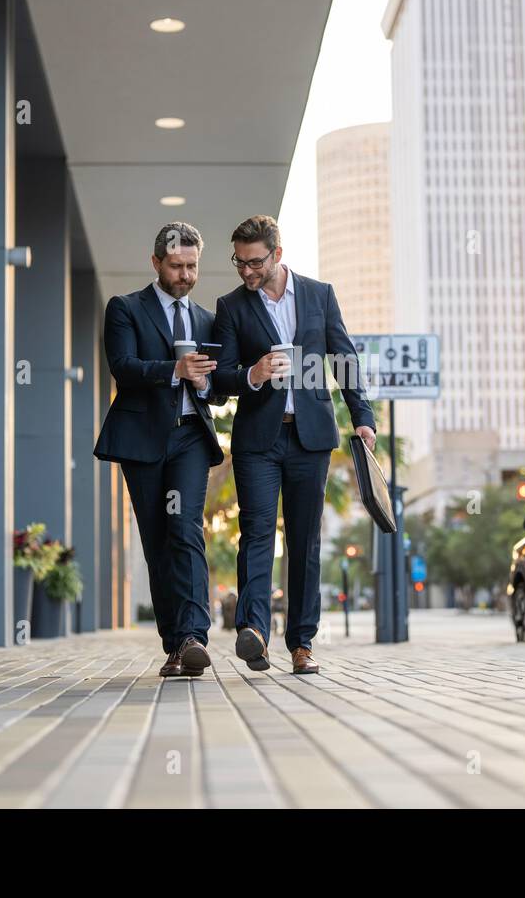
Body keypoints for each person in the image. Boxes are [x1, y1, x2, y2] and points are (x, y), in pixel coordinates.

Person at [212, 215, 375, 674]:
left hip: (311, 438)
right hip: (257, 442)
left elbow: (343, 358)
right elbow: (221, 379)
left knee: (305, 541)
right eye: (239, 263)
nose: (246, 271)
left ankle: (302, 643)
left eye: (254, 262)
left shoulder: (319, 295)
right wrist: (252, 374)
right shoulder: (231, 307)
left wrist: (363, 418)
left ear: (277, 254)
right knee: (258, 534)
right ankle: (255, 632)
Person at [93, 222, 224, 677]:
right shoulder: (125, 308)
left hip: (190, 434)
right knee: (156, 539)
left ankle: (194, 636)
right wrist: (176, 369)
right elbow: (123, 368)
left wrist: (207, 381)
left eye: (192, 266)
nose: (185, 275)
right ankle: (174, 643)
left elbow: (219, 389)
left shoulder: (208, 319)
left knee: (185, 528)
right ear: (156, 263)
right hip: (144, 438)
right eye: (176, 266)